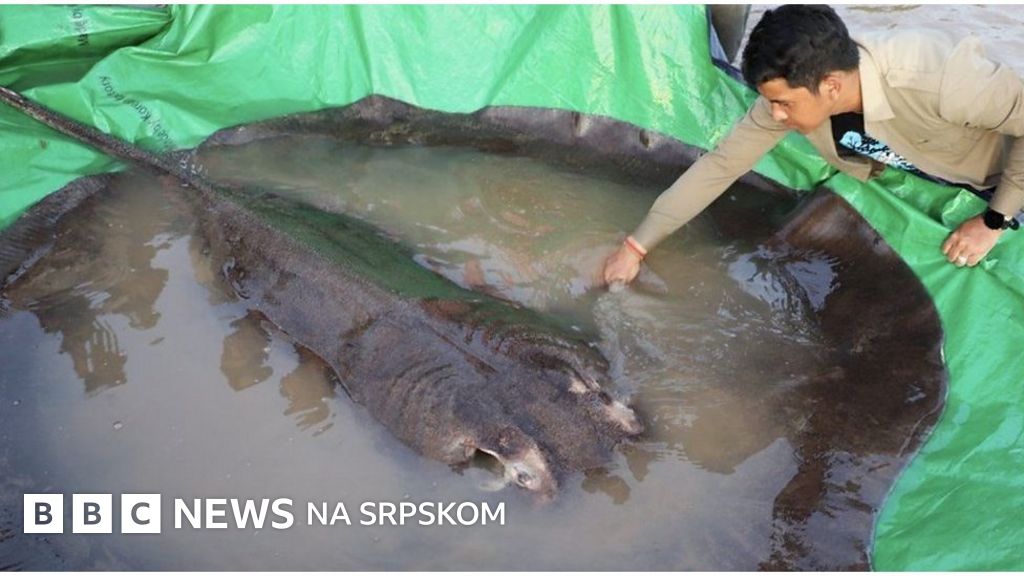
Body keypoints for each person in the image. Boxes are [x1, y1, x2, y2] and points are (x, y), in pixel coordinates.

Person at [604, 4, 1024, 286]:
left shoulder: (937, 78)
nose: (777, 116)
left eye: (784, 104)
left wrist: (993, 222)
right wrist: (635, 246)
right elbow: (720, 166)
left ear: (831, 85)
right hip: (928, 169)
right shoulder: (794, 95)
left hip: (1002, 175)